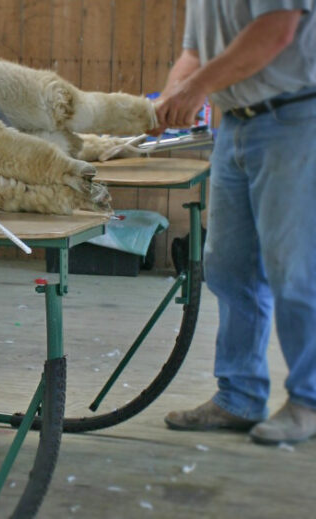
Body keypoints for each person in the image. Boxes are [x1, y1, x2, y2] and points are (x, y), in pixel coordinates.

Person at [155, 1, 316, 445]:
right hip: (236, 126)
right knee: (228, 266)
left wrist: (195, 89)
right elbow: (195, 52)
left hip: (295, 118)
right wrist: (170, 100)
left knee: (295, 268)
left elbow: (277, 29)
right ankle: (239, 395)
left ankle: (309, 400)